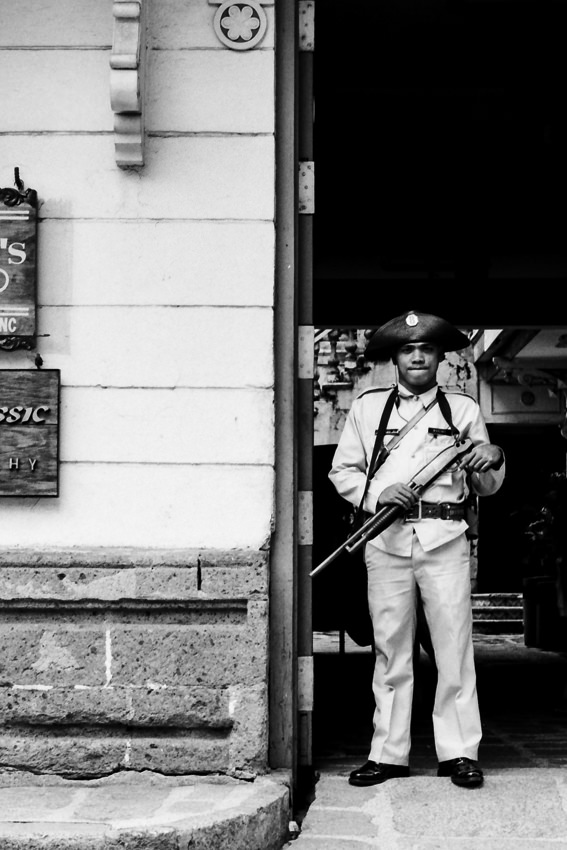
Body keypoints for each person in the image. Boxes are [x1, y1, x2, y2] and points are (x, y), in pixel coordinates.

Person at [329, 309, 505, 789]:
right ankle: (388, 754)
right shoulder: (367, 409)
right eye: (408, 350)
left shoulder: (463, 410)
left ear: (440, 358)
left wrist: (494, 456)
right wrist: (375, 495)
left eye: (426, 349)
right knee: (390, 651)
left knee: (453, 648)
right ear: (395, 359)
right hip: (385, 542)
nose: (417, 357)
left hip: (445, 540)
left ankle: (460, 753)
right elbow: (342, 472)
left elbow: (484, 483)